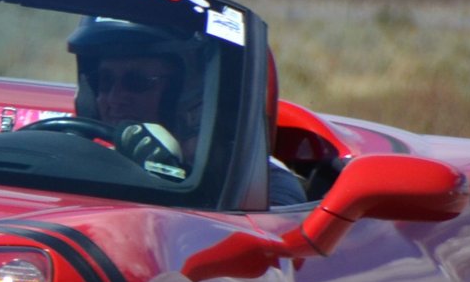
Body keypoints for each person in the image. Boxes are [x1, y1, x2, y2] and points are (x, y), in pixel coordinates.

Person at [67, 18, 307, 205]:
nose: (114, 98)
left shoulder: (253, 180)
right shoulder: (75, 157)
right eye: (103, 82)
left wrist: (171, 176)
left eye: (138, 82)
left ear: (187, 93)